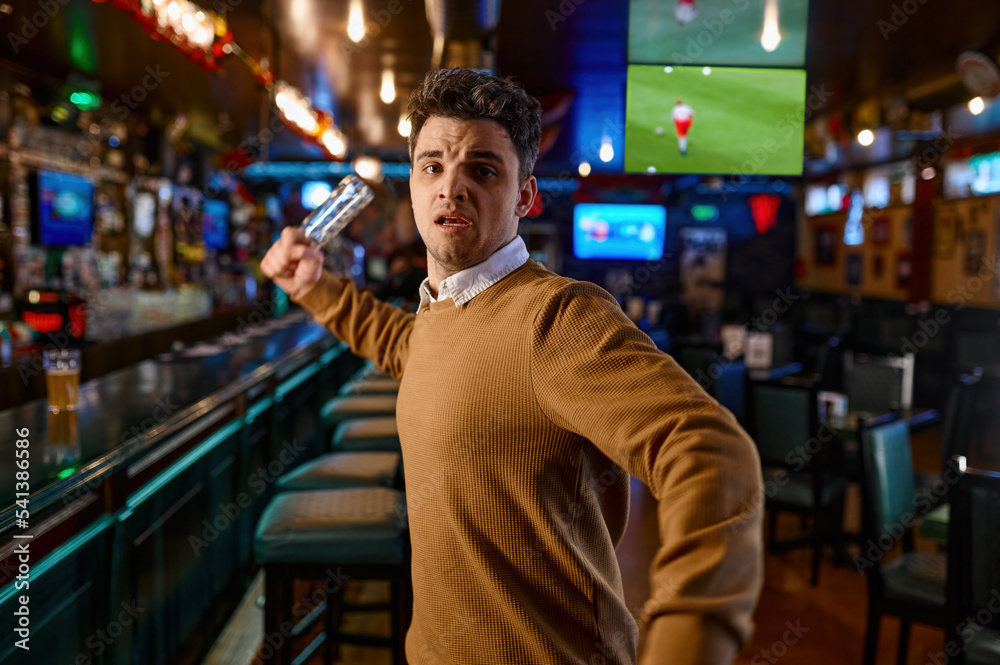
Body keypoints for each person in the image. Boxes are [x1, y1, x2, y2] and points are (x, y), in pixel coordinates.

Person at [261, 68, 763, 665]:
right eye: (432, 166)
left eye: (483, 168)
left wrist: (688, 641)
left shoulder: (556, 316)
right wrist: (315, 287)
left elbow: (710, 453)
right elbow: (405, 345)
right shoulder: (440, 312)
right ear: (415, 186)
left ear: (524, 195)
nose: (452, 187)